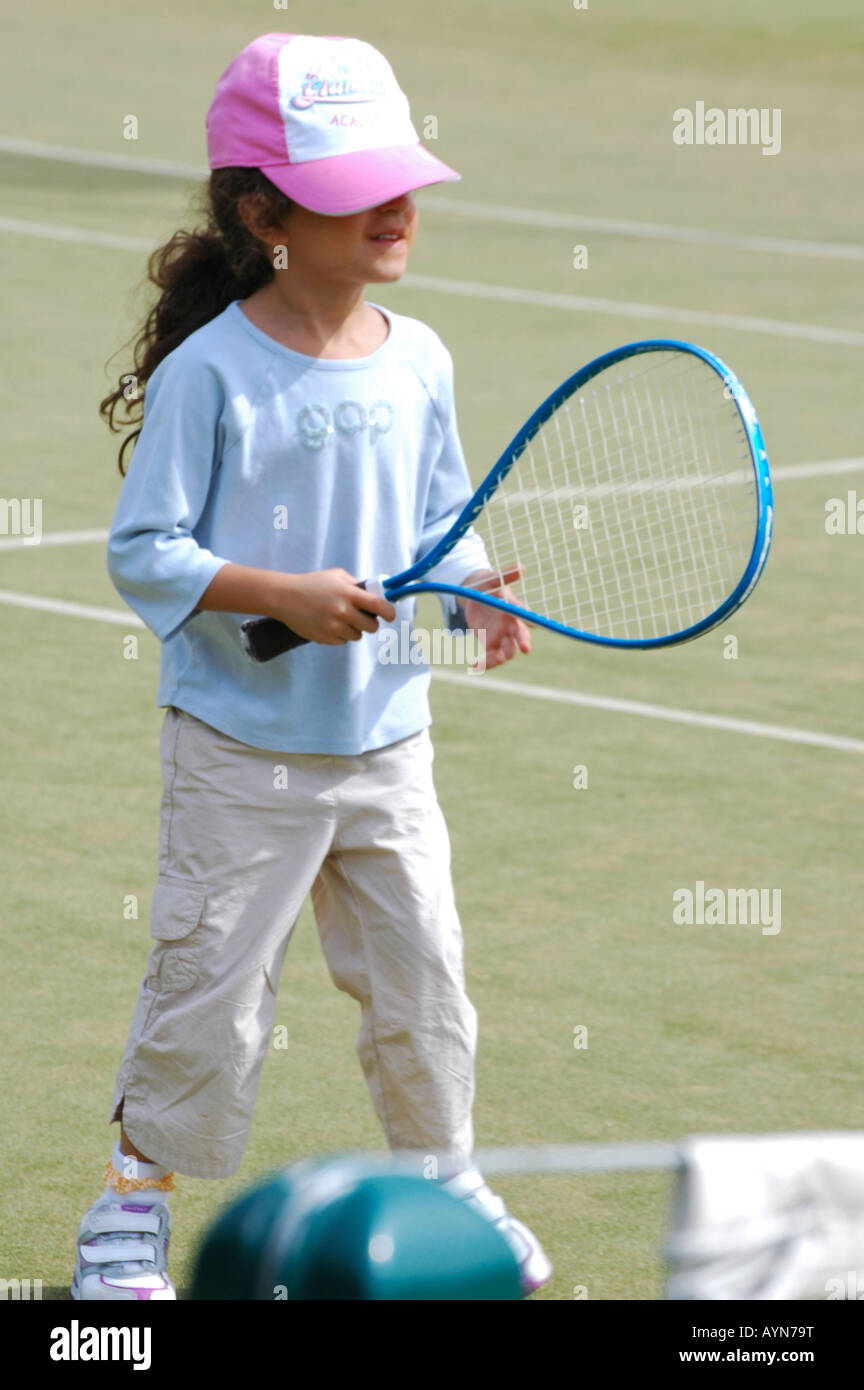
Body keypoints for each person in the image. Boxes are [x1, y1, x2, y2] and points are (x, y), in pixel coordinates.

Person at [73, 31, 551, 1300]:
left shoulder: (424, 354)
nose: (395, 205)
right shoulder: (210, 371)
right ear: (261, 211)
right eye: (354, 186)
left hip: (389, 744)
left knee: (426, 983)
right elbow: (147, 551)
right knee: (210, 994)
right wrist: (278, 592)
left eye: (402, 178)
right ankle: (130, 1210)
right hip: (240, 754)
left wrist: (476, 588)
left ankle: (446, 1183)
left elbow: (442, 516)